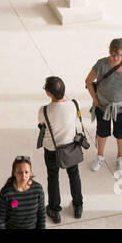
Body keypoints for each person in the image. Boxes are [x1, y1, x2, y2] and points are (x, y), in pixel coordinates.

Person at [85, 38, 122, 171]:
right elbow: (88, 81)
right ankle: (100, 156)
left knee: (121, 134)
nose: (115, 58)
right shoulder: (101, 64)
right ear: (109, 51)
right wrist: (96, 101)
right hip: (103, 106)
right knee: (102, 132)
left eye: (118, 55)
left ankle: (120, 158)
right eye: (113, 54)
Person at [37, 76, 83, 223]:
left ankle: (54, 210)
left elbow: (41, 124)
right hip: (71, 147)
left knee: (53, 177)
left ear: (49, 93)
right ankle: (78, 206)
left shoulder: (44, 110)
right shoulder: (74, 105)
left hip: (52, 149)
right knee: (74, 175)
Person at [0, 156, 45, 229]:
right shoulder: (6, 193)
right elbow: (1, 220)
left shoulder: (38, 190)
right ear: (14, 173)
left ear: (30, 172)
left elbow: (41, 216)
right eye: (20, 172)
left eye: (26, 172)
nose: (23, 176)